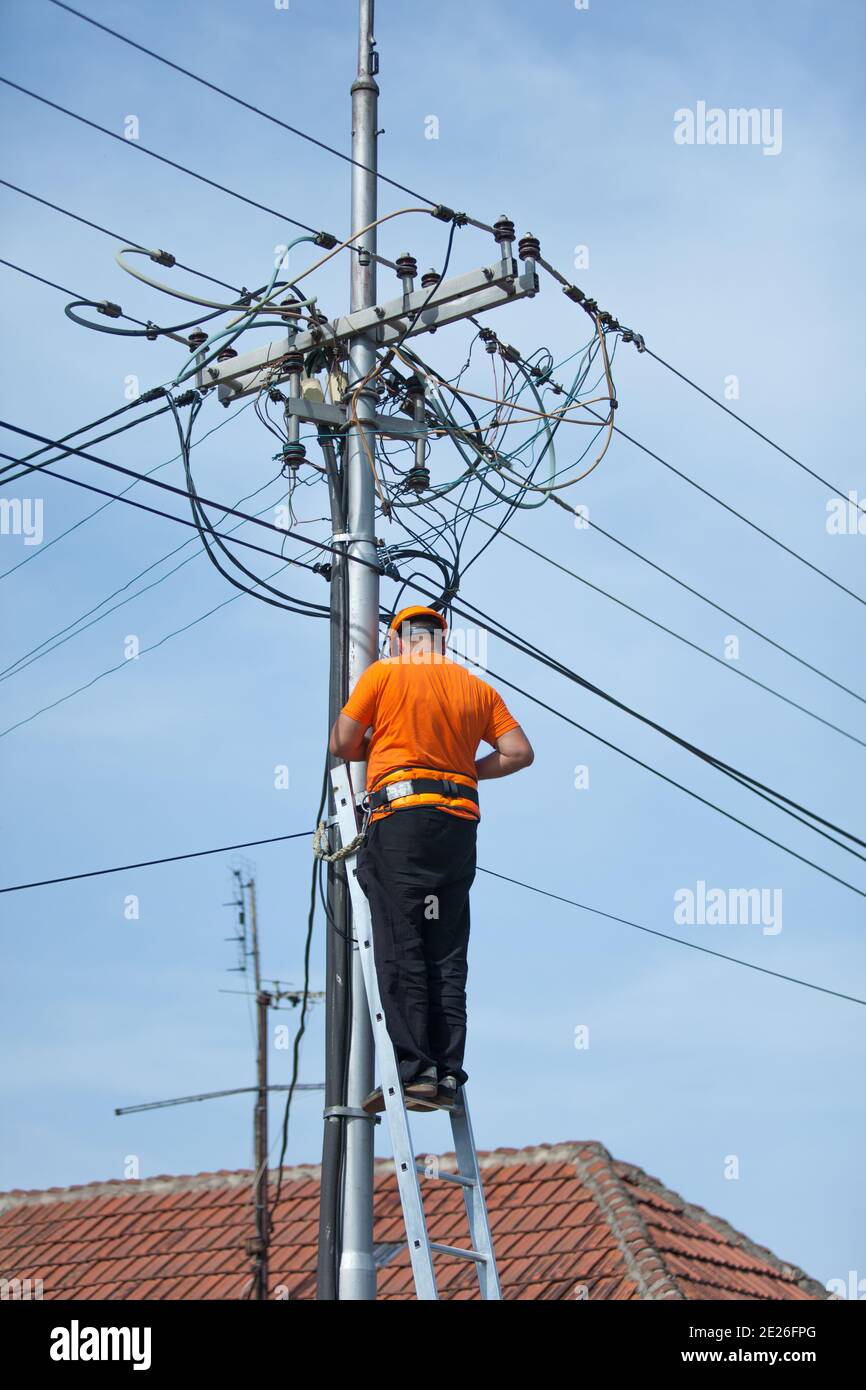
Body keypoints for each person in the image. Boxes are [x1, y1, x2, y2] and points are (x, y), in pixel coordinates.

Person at [328, 604, 534, 1114]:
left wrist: (380, 744)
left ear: (399, 641)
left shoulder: (384, 675)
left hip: (403, 823)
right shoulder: (476, 688)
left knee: (402, 941)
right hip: (457, 829)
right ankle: (445, 1073)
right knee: (445, 947)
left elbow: (341, 743)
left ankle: (415, 1071)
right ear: (441, 642)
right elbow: (518, 752)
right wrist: (461, 767)